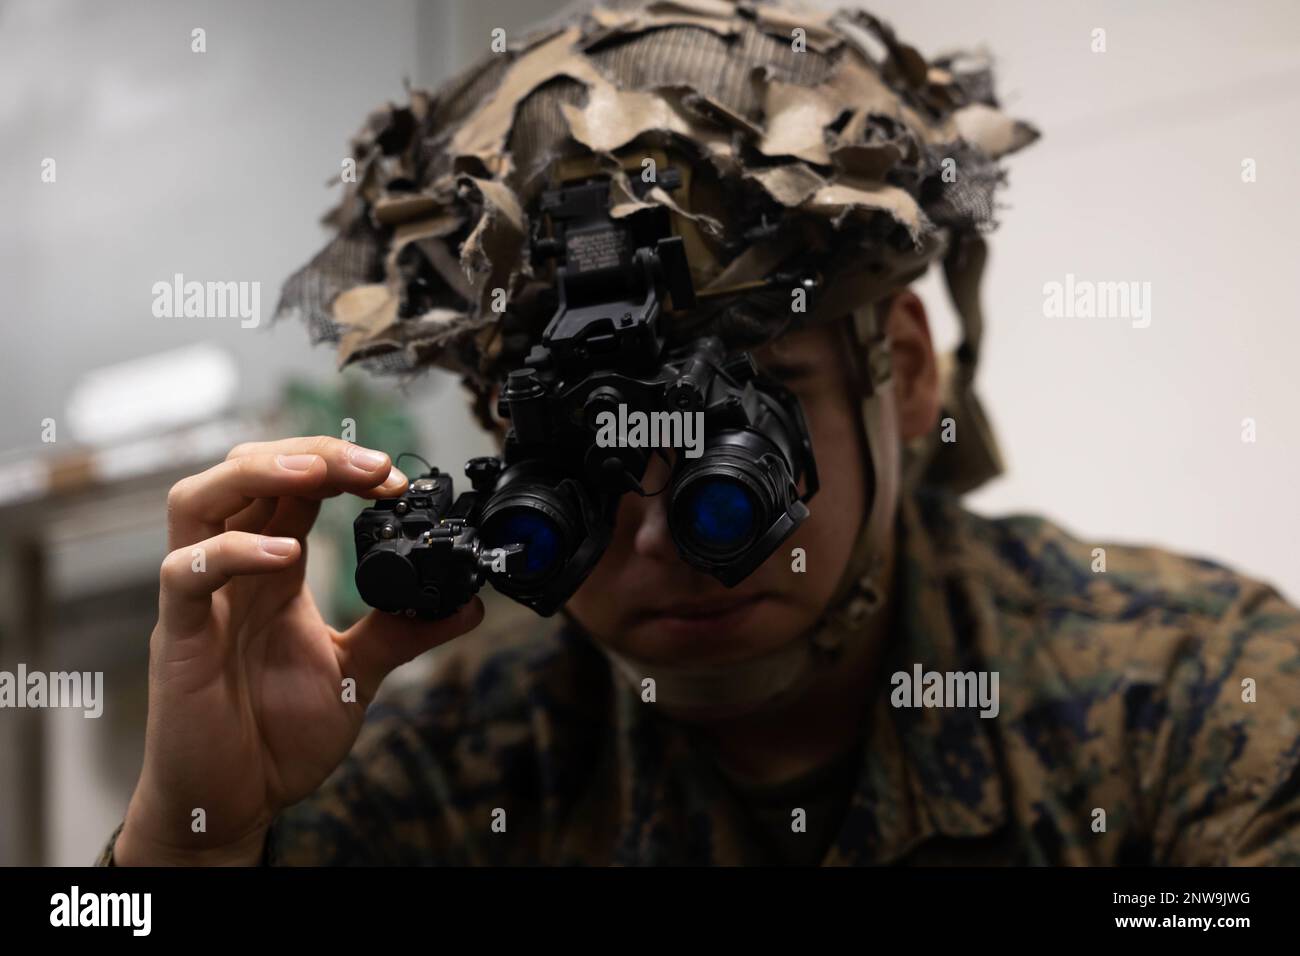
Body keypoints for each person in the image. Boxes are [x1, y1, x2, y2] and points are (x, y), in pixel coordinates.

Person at [100, 0, 1300, 866]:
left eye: (743, 422)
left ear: (905, 372)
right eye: (584, 450)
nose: (661, 532)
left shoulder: (1185, 694)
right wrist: (191, 836)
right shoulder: (440, 767)